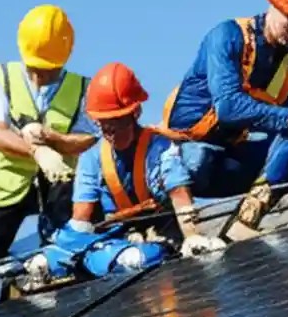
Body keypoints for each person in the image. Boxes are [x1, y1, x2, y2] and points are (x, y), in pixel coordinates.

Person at [159, 0, 288, 243]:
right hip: (185, 159)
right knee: (198, 159)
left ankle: (246, 218)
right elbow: (227, 107)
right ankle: (164, 221)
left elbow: (286, 134)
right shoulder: (228, 36)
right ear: (273, 6)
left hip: (230, 159)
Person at [0, 4, 100, 313]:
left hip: (59, 189)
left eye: (47, 67)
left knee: (73, 256)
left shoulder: (82, 89)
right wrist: (35, 151)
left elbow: (88, 137)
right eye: (35, 66)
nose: (40, 74)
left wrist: (53, 139)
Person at [26, 62, 224, 284]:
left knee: (139, 257)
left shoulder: (160, 148)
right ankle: (54, 261)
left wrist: (192, 235)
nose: (109, 130)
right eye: (103, 123)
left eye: (116, 121)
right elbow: (81, 220)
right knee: (66, 246)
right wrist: (66, 243)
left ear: (135, 113)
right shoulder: (92, 158)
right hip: (112, 238)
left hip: (160, 234)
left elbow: (179, 192)